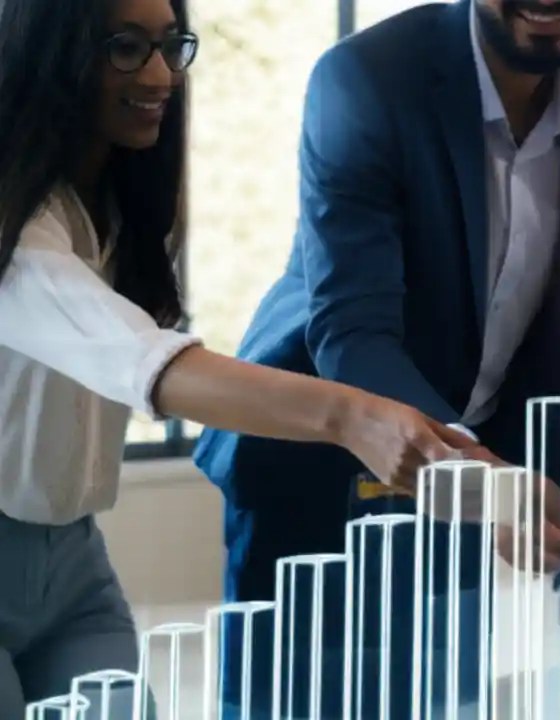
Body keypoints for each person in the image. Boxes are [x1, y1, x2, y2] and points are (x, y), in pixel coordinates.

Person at [0, 0, 485, 715]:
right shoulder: (14, 225)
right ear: (52, 55)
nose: (161, 76)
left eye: (171, 45)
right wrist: (354, 417)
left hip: (73, 560)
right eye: (126, 48)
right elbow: (139, 358)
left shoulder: (123, 207)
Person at [193, 0, 560, 714]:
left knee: (447, 700)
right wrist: (489, 485)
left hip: (467, 475)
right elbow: (353, 330)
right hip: (320, 470)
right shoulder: (367, 78)